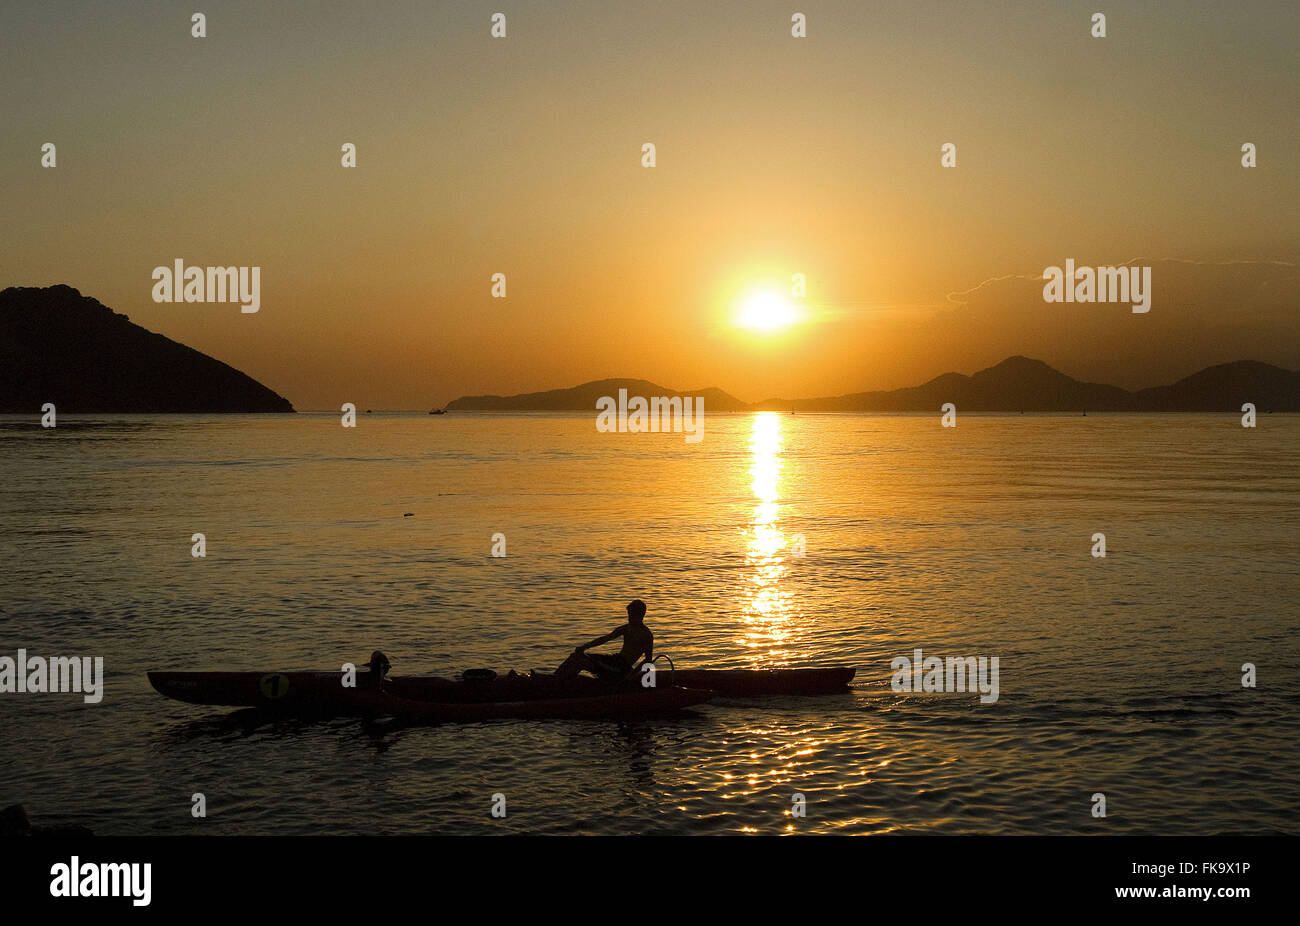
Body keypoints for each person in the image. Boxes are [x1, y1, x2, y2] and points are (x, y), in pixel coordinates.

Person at [553, 599, 654, 681]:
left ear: (639, 615)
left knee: (582, 662)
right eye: (629, 614)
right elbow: (604, 639)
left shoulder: (646, 634)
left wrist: (631, 675)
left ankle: (558, 685)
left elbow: (648, 660)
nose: (629, 617)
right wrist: (584, 647)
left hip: (621, 668)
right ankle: (554, 678)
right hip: (614, 660)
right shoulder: (626, 628)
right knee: (576, 656)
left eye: (631, 615)